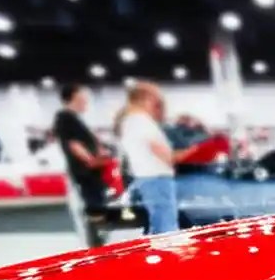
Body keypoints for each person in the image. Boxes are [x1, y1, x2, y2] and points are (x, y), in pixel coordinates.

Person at [115, 82, 199, 235]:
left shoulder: (130, 122)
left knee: (157, 224)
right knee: (166, 229)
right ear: (145, 99)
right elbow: (167, 157)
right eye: (156, 99)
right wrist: (197, 150)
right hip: (157, 180)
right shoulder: (141, 122)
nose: (158, 104)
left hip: (148, 179)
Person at [53, 84, 109, 243]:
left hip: (90, 171)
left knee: (97, 203)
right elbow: (73, 144)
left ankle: (99, 238)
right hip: (85, 172)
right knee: (94, 206)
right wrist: (91, 160)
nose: (85, 101)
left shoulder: (73, 117)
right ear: (74, 97)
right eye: (82, 98)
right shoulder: (65, 117)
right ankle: (97, 242)